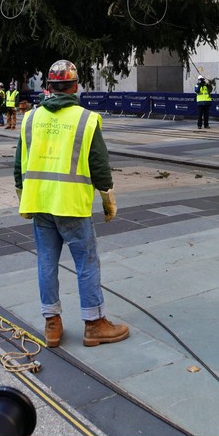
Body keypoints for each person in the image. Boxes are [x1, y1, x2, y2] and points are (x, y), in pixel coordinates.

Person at [15, 59, 129, 349]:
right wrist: (108, 200)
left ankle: (52, 325)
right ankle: (94, 324)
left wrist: (23, 197)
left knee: (46, 261)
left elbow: (19, 166)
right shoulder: (86, 119)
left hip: (40, 203)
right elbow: (99, 165)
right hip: (72, 206)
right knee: (86, 263)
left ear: (49, 87)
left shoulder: (30, 118)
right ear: (75, 86)